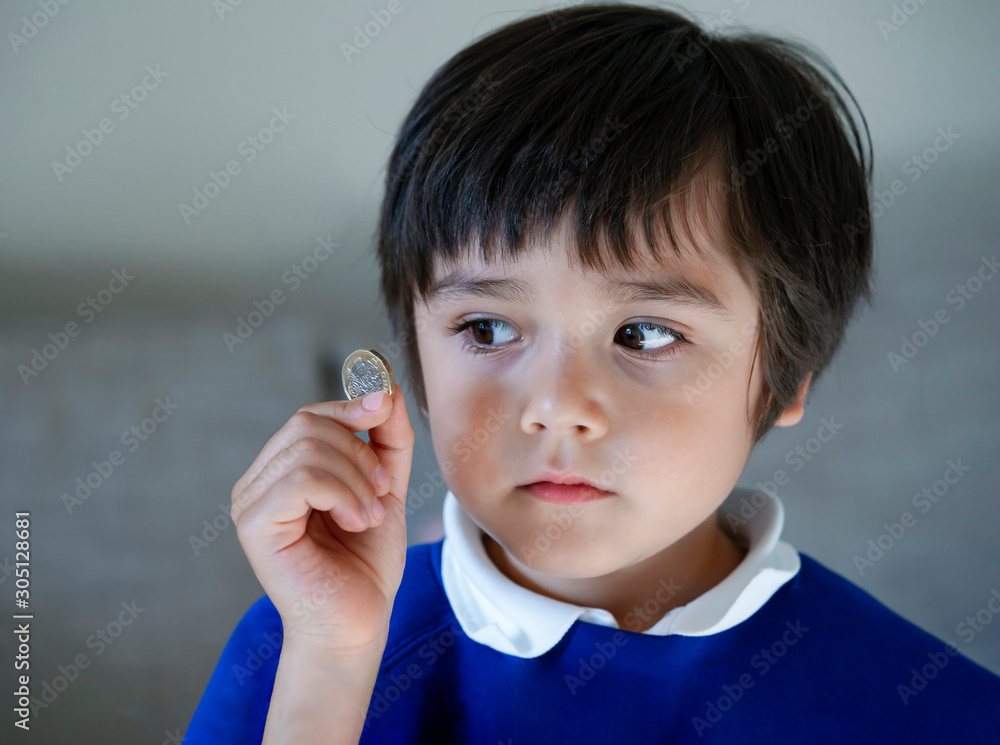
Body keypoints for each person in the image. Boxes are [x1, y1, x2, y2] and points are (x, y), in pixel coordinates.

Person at [184, 3, 1000, 743]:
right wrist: (330, 666)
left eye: (645, 333)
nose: (557, 408)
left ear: (788, 375)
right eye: (489, 327)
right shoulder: (297, 649)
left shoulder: (928, 707)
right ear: (418, 367)